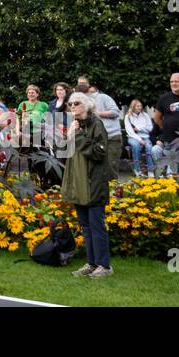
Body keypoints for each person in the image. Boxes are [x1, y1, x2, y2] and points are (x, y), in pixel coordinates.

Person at [63, 92, 112, 277]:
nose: (72, 107)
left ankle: (104, 266)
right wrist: (70, 135)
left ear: (86, 106)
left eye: (76, 103)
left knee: (96, 225)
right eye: (70, 104)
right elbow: (64, 151)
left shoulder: (96, 124)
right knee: (85, 226)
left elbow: (99, 153)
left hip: (93, 182)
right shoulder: (77, 126)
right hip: (78, 183)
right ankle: (91, 264)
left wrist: (77, 136)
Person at [81, 77, 122, 179]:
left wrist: (98, 113)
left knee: (111, 167)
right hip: (97, 139)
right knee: (98, 168)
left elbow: (115, 112)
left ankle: (115, 193)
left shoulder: (103, 97)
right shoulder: (84, 102)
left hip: (112, 137)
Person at [124, 100, 155, 177]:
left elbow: (150, 128)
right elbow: (130, 131)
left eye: (140, 106)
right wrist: (139, 139)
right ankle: (137, 170)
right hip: (133, 137)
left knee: (149, 147)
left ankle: (150, 170)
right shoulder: (128, 116)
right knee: (136, 146)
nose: (139, 108)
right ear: (133, 106)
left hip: (145, 136)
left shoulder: (145, 115)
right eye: (137, 106)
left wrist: (140, 129)